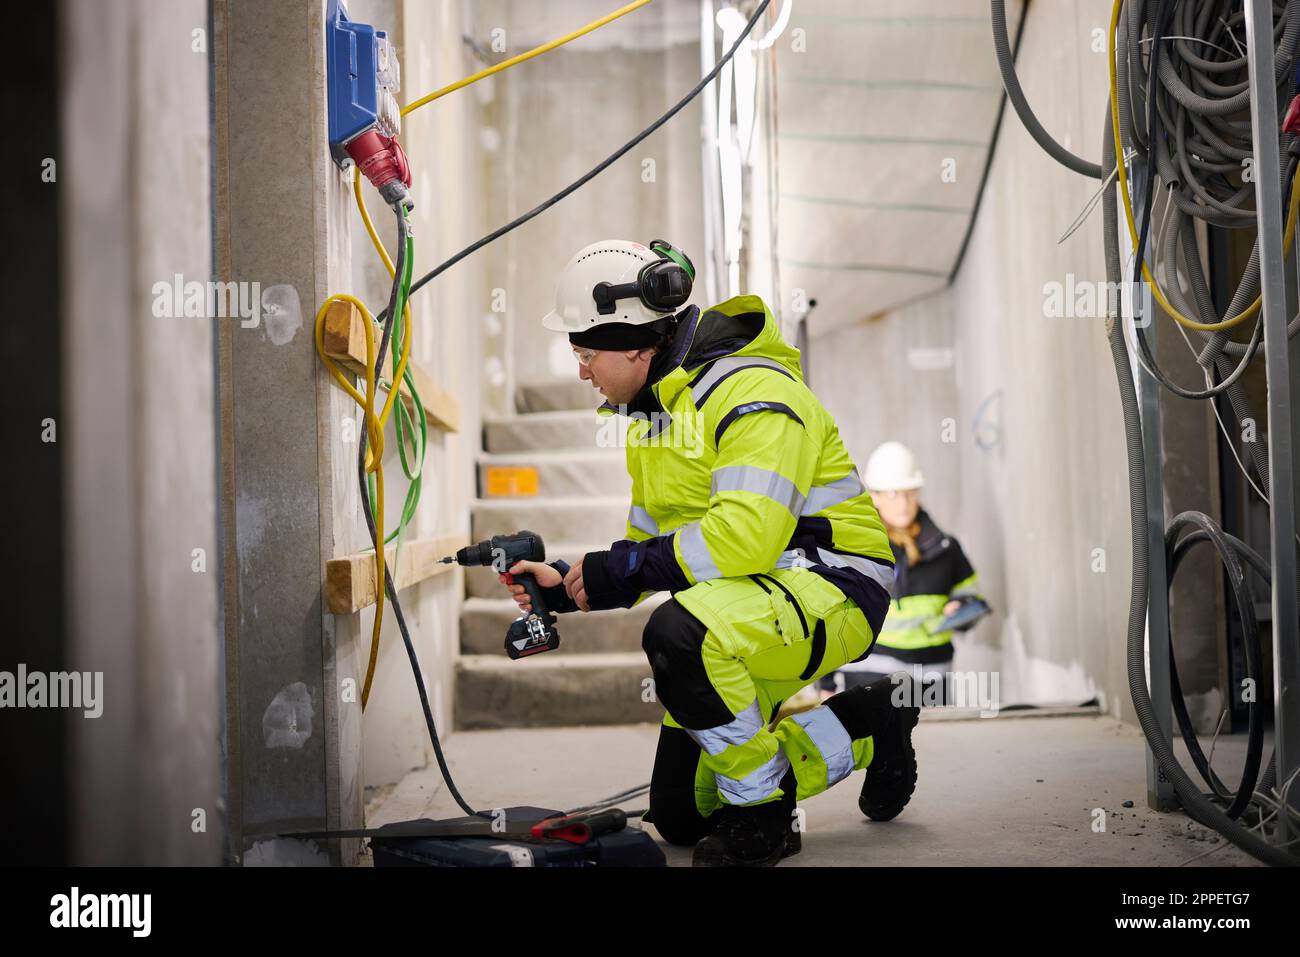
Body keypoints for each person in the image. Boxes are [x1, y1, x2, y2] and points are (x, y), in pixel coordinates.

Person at [498, 239, 920, 867]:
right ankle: (872, 722)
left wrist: (627, 571)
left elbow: (745, 537)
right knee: (678, 815)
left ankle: (765, 817)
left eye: (586, 353)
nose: (582, 370)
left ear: (636, 344)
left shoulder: (755, 396)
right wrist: (576, 583)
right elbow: (649, 546)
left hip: (832, 586)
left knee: (678, 634)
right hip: (746, 600)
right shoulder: (653, 416)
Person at [820, 441, 986, 706]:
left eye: (910, 492)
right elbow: (829, 614)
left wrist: (962, 609)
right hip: (868, 676)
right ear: (874, 496)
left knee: (931, 745)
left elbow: (972, 599)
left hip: (929, 679)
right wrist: (825, 682)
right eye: (894, 494)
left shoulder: (945, 548)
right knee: (875, 745)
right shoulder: (854, 549)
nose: (904, 503)